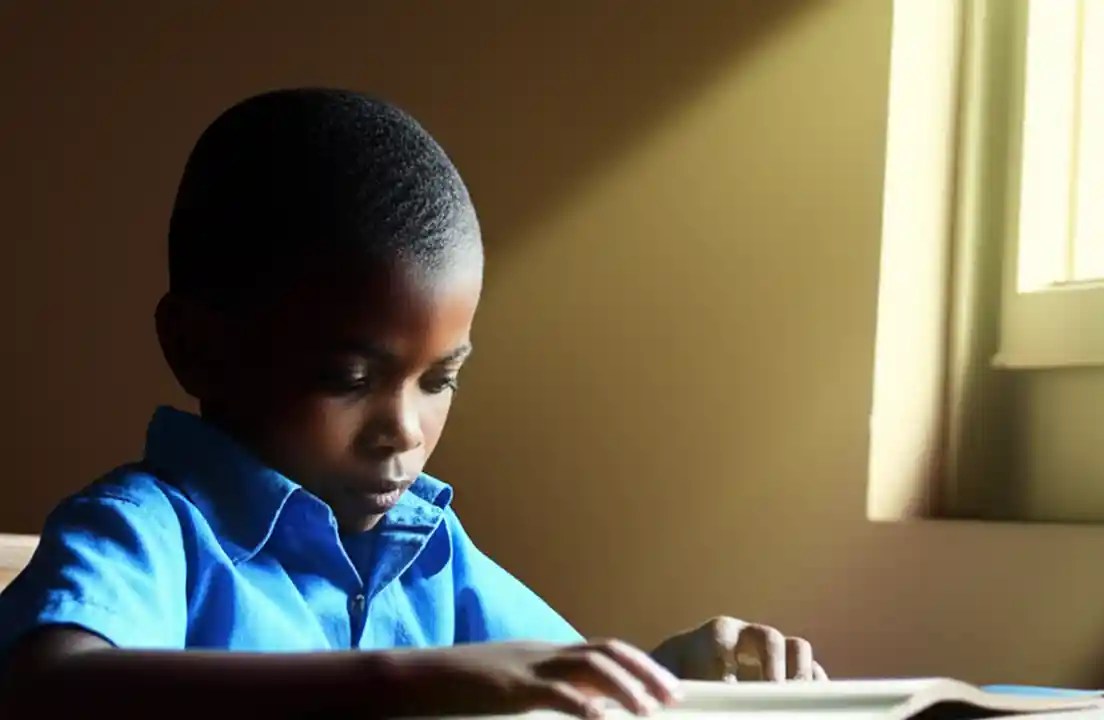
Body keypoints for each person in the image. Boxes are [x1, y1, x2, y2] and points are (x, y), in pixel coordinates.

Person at [0, 88, 825, 719]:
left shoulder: (427, 548)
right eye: (350, 380)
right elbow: (49, 688)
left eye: (440, 380)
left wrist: (673, 672)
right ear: (198, 348)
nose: (404, 429)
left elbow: (550, 689)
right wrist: (413, 679)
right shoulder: (148, 529)